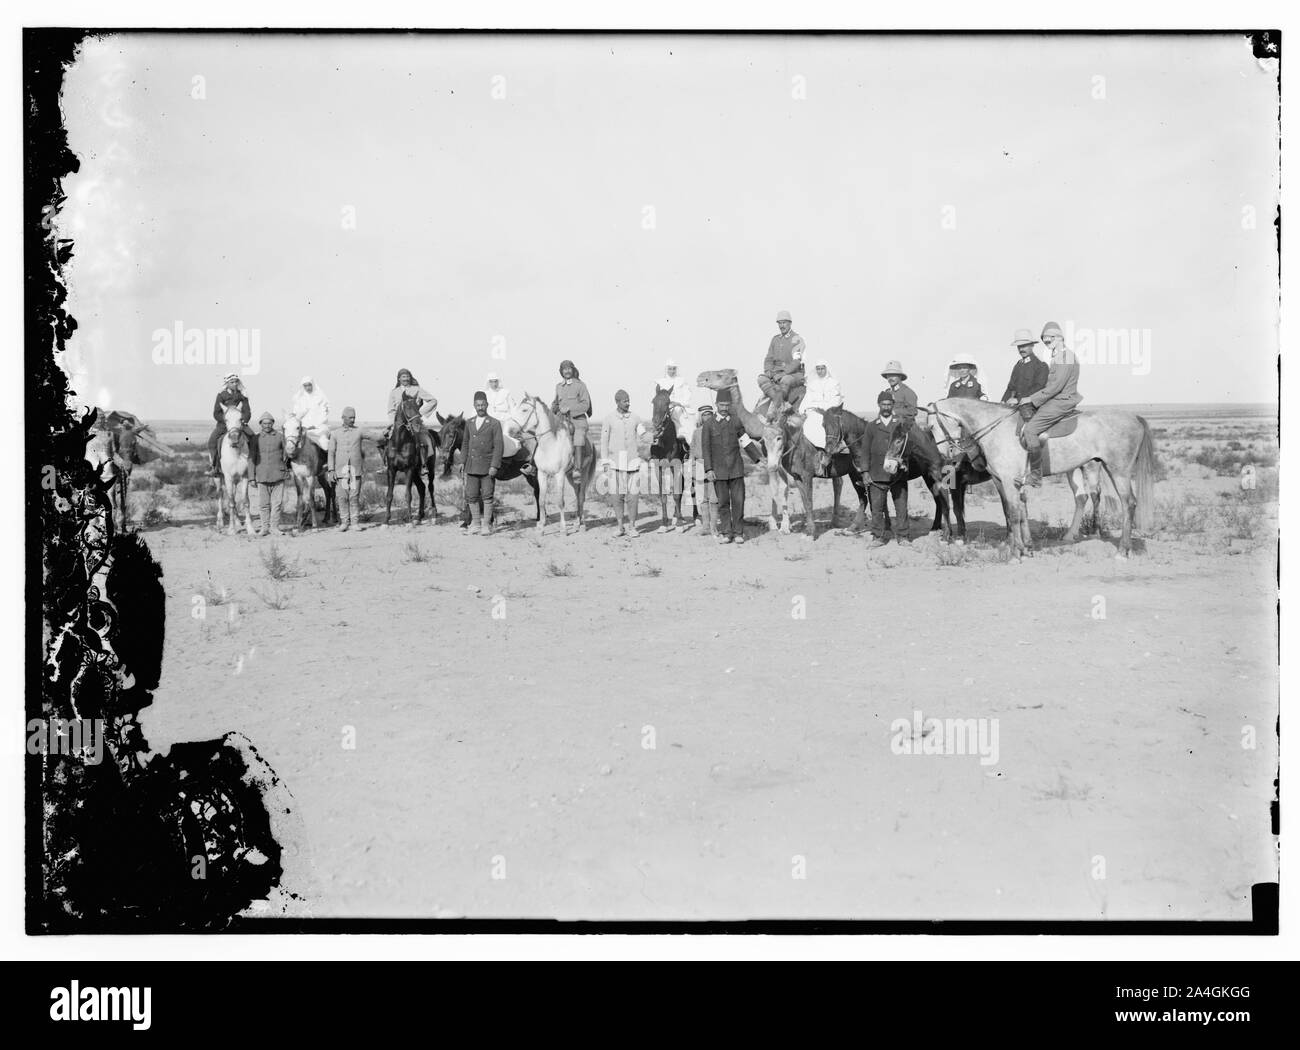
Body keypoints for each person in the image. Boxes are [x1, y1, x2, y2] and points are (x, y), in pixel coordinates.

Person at [1020, 321, 1082, 487]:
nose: (1047, 343)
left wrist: (1031, 399)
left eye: (1050, 339)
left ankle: (1035, 475)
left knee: (1031, 430)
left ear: (1059, 337)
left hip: (1061, 401)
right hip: (1055, 399)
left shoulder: (1065, 356)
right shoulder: (1059, 355)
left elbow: (1056, 386)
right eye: (1045, 341)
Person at [862, 391, 910, 548]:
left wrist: (904, 462)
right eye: (883, 404)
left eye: (889, 404)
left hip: (898, 474)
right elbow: (865, 451)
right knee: (876, 509)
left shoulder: (900, 424)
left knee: (901, 507)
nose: (886, 407)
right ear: (879, 405)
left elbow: (907, 447)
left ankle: (903, 536)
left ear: (893, 406)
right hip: (876, 474)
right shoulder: (871, 426)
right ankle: (878, 537)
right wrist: (865, 472)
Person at [701, 388, 747, 544]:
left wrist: (759, 459)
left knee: (739, 501)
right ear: (716, 405)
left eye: (727, 405)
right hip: (718, 471)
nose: (725, 408)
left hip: (736, 469)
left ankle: (739, 532)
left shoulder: (736, 421)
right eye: (722, 405)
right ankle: (727, 533)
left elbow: (745, 441)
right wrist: (708, 469)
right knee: (723, 503)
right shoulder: (708, 424)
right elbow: (706, 449)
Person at [600, 389, 648, 537]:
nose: (628, 403)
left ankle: (632, 527)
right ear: (617, 402)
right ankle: (620, 526)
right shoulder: (609, 418)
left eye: (628, 400)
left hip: (633, 464)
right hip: (615, 464)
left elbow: (644, 435)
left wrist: (654, 436)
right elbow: (604, 441)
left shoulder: (635, 418)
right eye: (624, 400)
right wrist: (605, 462)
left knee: (633, 497)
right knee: (617, 497)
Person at [463, 391, 504, 535]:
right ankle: (475, 524)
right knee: (472, 495)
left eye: (483, 405)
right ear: (474, 405)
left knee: (487, 496)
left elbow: (499, 446)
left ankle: (486, 525)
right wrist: (463, 462)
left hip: (487, 466)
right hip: (472, 465)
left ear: (487, 405)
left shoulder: (494, 423)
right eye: (478, 405)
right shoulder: (469, 422)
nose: (480, 407)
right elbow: (465, 444)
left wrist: (494, 465)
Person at [757, 310, 807, 418]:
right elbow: (769, 358)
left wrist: (784, 373)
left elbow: (796, 361)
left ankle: (775, 406)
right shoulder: (775, 340)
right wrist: (768, 371)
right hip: (775, 372)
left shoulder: (797, 339)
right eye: (779, 323)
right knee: (761, 379)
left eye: (784, 322)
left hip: (793, 374)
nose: (781, 325)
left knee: (785, 380)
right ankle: (780, 402)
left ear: (790, 323)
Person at [383, 368, 438, 461]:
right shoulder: (394, 392)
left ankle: (424, 464)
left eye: (408, 376)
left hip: (413, 422)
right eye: (403, 377)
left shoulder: (417, 389)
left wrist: (419, 413)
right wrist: (393, 422)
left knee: (424, 440)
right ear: (399, 379)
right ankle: (386, 464)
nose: (406, 379)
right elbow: (391, 409)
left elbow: (433, 400)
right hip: (398, 423)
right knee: (381, 438)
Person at [205, 373, 254, 476]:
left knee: (254, 440)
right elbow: (216, 412)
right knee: (212, 442)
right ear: (227, 383)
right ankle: (214, 466)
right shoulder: (221, 396)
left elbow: (247, 411)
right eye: (232, 382)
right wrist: (226, 421)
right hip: (224, 425)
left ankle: (254, 467)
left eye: (236, 381)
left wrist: (244, 420)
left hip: (240, 424)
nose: (234, 384)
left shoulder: (242, 395)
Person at [552, 359, 593, 479]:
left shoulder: (580, 385)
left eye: (569, 368)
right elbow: (555, 403)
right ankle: (536, 465)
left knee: (578, 438)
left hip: (578, 420)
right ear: (561, 372)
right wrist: (551, 410)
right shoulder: (559, 387)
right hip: (561, 421)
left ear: (573, 370)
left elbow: (586, 404)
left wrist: (569, 409)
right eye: (564, 369)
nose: (567, 371)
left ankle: (577, 469)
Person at [327, 407, 366, 532]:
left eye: (354, 417)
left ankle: (355, 522)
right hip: (341, 471)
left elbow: (375, 436)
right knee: (342, 497)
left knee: (354, 497)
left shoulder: (359, 431)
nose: (353, 420)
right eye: (350, 417)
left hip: (355, 470)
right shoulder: (335, 433)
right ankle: (344, 522)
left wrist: (389, 432)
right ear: (343, 418)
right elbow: (331, 452)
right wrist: (331, 470)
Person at [252, 411, 289, 537]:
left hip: (278, 475)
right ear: (260, 424)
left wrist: (286, 469)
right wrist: (252, 477)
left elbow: (287, 454)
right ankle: (264, 528)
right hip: (262, 476)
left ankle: (274, 528)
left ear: (273, 423)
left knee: (277, 504)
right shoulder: (255, 438)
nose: (267, 425)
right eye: (264, 423)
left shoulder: (280, 437)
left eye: (269, 423)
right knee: (263, 505)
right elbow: (251, 459)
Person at [689, 404, 718, 538]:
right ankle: (705, 526)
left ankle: (714, 527)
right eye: (704, 415)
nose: (707, 417)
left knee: (713, 498)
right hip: (699, 466)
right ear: (700, 417)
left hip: (713, 466)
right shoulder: (696, 432)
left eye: (709, 414)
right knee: (702, 499)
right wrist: (693, 468)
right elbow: (692, 450)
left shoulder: (717, 429)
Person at [1001, 329, 1051, 404]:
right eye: (1019, 346)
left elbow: (1038, 388)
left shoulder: (1041, 365)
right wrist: (1003, 401)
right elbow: (1010, 387)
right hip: (1015, 404)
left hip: (1032, 404)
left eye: (1024, 346)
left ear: (1032, 345)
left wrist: (1018, 400)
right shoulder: (1018, 365)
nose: (1021, 349)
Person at [290, 375, 331, 448]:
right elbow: (297, 415)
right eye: (305, 386)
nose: (307, 388)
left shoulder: (320, 397)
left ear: (313, 385)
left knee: (324, 443)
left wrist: (315, 425)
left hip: (319, 427)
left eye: (309, 385)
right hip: (303, 428)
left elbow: (324, 414)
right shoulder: (300, 398)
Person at [652, 358, 693, 429]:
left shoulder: (682, 381)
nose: (672, 371)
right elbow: (657, 399)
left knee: (689, 425)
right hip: (665, 409)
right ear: (666, 369)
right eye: (670, 369)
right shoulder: (660, 382)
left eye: (674, 369)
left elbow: (688, 396)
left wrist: (679, 403)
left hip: (680, 408)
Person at [880, 361, 918, 432]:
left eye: (893, 375)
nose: (890, 378)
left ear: (900, 376)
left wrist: (894, 412)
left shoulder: (908, 392)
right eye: (888, 376)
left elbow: (913, 411)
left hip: (906, 428)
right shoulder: (887, 392)